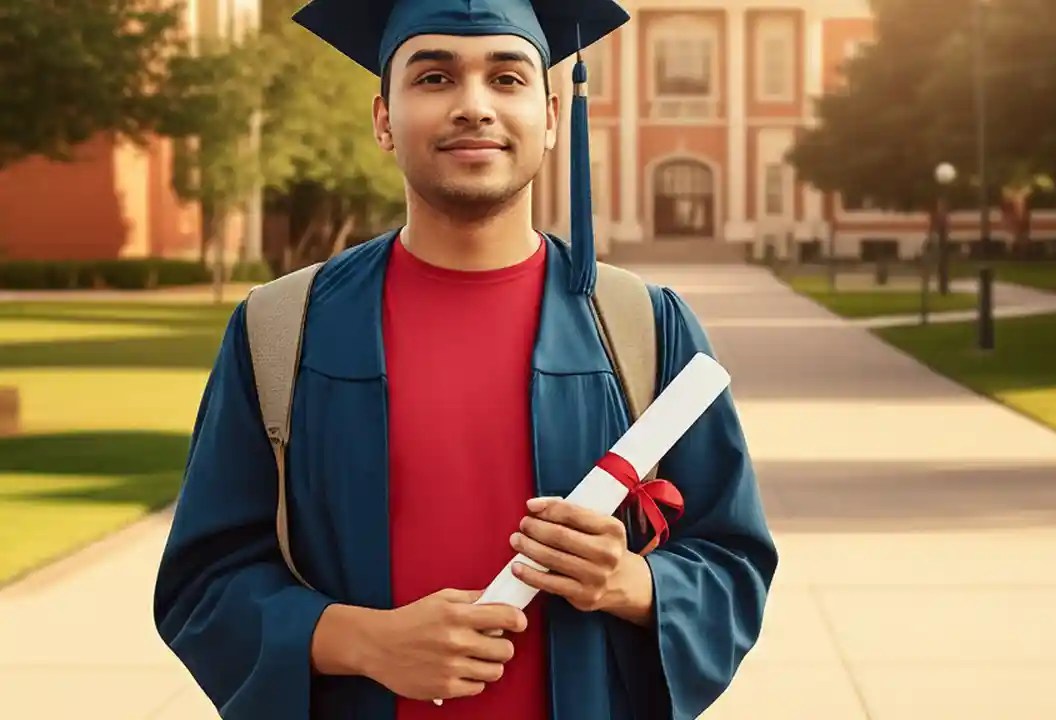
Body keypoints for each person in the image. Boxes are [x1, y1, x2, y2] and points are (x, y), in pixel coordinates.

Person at [151, 0, 778, 718]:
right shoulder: (283, 328)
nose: (474, 106)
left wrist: (631, 582)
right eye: (436, 78)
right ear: (384, 119)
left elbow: (732, 562)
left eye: (506, 79)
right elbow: (203, 582)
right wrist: (359, 640)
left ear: (549, 116)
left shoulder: (645, 328)